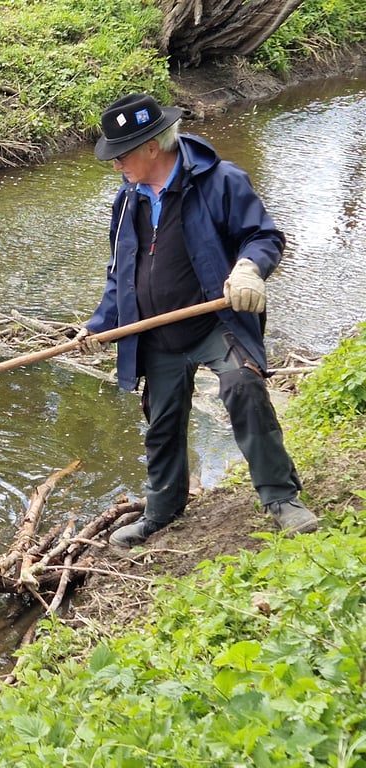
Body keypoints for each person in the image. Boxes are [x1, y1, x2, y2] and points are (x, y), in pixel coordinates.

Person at [76, 92, 319, 549]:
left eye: (121, 154)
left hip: (215, 324)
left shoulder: (221, 181)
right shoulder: (126, 201)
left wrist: (248, 268)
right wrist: (99, 324)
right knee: (162, 421)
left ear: (152, 147)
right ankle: (162, 511)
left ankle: (281, 499)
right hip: (155, 332)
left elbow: (263, 236)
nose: (116, 164)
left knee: (243, 387)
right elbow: (120, 272)